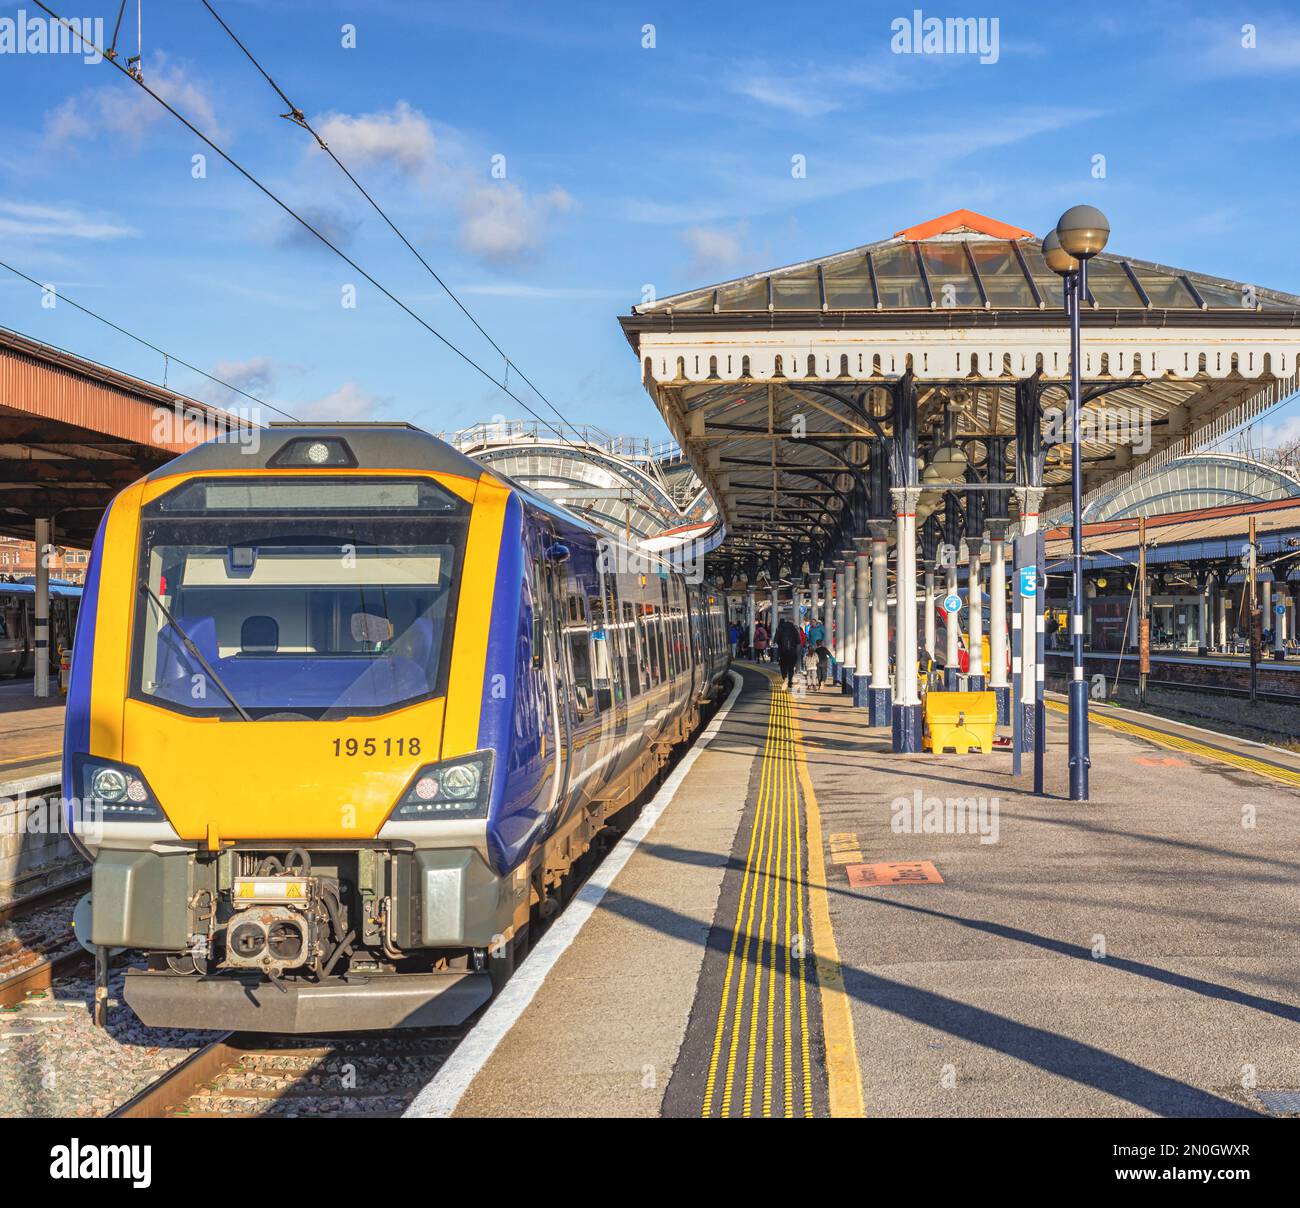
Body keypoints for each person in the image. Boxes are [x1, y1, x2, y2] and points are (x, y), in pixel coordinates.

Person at [774, 614, 802, 690]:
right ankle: (790, 682)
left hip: (782, 651)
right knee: (791, 667)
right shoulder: (795, 629)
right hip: (792, 651)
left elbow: (775, 640)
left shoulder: (780, 628)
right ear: (793, 621)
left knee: (783, 666)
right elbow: (798, 641)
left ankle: (785, 678)